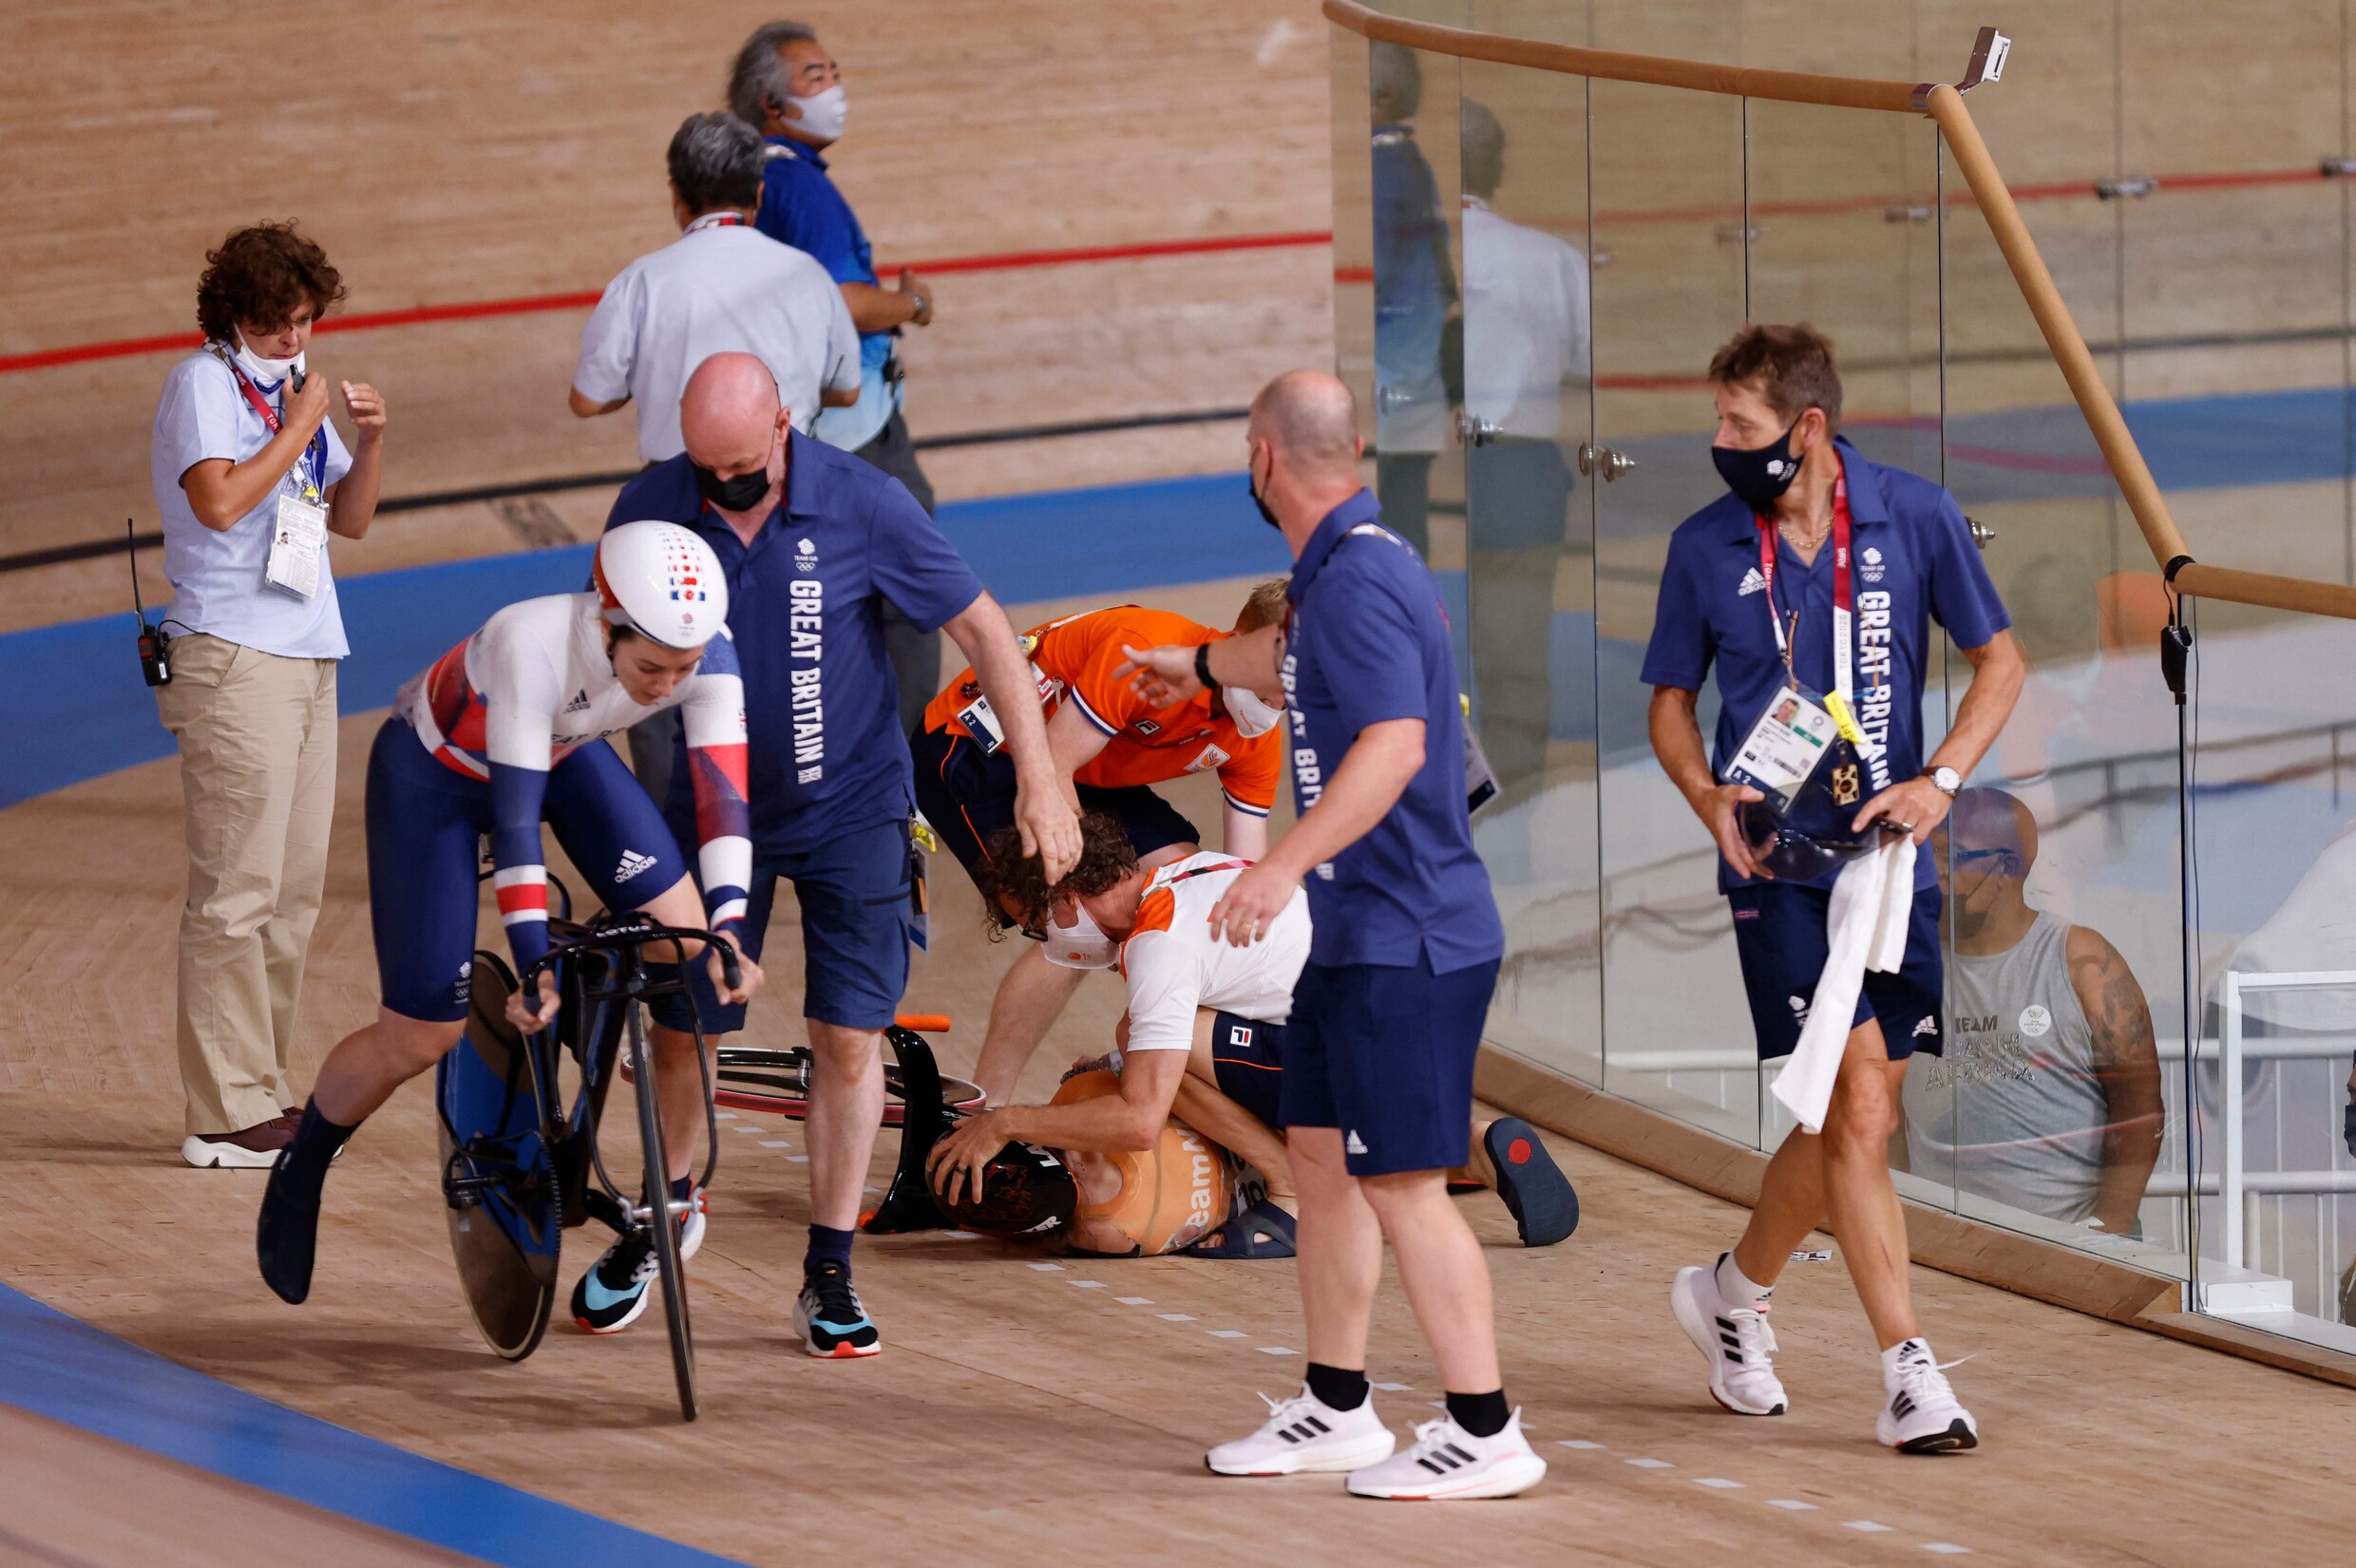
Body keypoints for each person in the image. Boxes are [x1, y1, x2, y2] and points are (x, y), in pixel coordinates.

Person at [1118, 370, 1545, 1500]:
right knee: (1319, 1159)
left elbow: (1396, 741)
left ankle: (1484, 1427)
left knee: (1401, 1182)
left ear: (1262, 458)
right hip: (1354, 936)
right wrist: (1199, 663)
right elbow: (1294, 662)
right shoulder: (1352, 568)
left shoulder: (1353, 583)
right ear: (1350, 448)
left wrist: (1280, 864)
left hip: (1407, 937)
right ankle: (1336, 1405)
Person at [604, 350, 1078, 1359]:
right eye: (706, 475)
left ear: (783, 425)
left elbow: (984, 628)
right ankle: (665, 1209)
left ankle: (828, 1267)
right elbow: (610, 654)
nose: (723, 494)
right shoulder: (650, 505)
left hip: (853, 805)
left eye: (741, 470)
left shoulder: (866, 502)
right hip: (711, 802)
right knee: (686, 1024)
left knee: (848, 1039)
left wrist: (1038, 776)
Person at [1643, 324, 2024, 1453]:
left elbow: (1998, 659)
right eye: (1718, 421)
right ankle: (1907, 1373)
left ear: (1805, 428)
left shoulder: (1913, 513)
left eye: (1739, 426)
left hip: (1887, 859)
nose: (1719, 442)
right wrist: (1706, 798)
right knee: (1857, 1100)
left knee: (1852, 1110)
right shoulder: (1704, 545)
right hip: (1774, 865)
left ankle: (1730, 1290)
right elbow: (1669, 700)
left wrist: (1940, 779)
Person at [254, 522, 765, 1309]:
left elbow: (723, 798)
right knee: (423, 1031)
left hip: (562, 754)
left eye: (682, 670)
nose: (664, 687)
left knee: (682, 936)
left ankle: (664, 1164)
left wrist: (727, 930)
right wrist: (530, 963)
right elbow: (518, 827)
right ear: (606, 621)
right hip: (438, 781)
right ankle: (306, 1165)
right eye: (649, 667)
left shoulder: (708, 649)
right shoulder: (533, 642)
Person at [927, 817, 1579, 1259]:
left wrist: (1007, 1122)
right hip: (1412, 1024)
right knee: (1148, 1046)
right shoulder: (1191, 871)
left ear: (1066, 900)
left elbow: (1138, 1120)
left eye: (1036, 926)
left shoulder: (1158, 943)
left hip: (1353, 1049)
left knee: (1150, 1047)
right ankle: (1482, 1146)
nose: (1047, 943)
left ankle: (1289, 1189)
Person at [151, 222, 388, 1168]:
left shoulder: (294, 391)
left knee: (291, 891)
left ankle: (259, 1086)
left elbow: (350, 522)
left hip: (306, 651)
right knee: (236, 888)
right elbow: (216, 500)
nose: (297, 339)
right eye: (280, 323)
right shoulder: (203, 386)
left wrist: (367, 441)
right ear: (235, 315)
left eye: (306, 322)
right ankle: (221, 1111)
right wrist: (297, 424)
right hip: (233, 656)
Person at [911, 589, 1290, 1107]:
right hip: (982, 746)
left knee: (1181, 900)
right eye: (1284, 677)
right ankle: (985, 1109)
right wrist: (1128, 934)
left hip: (1087, 762)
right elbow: (1051, 772)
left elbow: (1234, 891)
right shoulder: (1144, 650)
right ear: (1242, 647)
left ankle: (1150, 1065)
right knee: (1079, 923)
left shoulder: (1257, 738)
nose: (1290, 700)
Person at [729, 20, 944, 735]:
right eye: (816, 77)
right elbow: (847, 304)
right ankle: (912, 773)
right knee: (914, 596)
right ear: (771, 103)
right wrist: (911, 303)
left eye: (834, 71)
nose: (835, 89)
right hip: (857, 432)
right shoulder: (800, 185)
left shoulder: (757, 177)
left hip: (803, 426)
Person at [1898, 789, 2162, 1235]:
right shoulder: (1908, 965)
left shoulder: (2081, 960)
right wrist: (1900, 1212)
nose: (1931, 871)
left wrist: (2110, 1224)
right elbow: (1883, 1113)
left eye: (1949, 856)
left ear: (2004, 868)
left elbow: (2139, 1107)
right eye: (1925, 853)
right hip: (1939, 1245)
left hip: (2067, 1242)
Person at [570, 112, 860, 464]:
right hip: (784, 484)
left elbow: (588, 401)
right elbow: (845, 390)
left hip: (679, 488)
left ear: (675, 193)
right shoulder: (809, 274)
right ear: (759, 194)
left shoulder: (640, 281)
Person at [1458, 99, 1589, 822]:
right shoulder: (1552, 258)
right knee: (1516, 660)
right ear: (1497, 168)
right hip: (1519, 469)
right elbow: (1584, 362)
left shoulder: (1416, 251)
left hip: (1431, 466)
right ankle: (1514, 825)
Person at [1368, 42, 1454, 558]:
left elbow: (1380, 269)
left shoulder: (1387, 169)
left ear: (1387, 97)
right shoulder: (1410, 160)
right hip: (1416, 375)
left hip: (1396, 380)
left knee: (1396, 521)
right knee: (1405, 513)